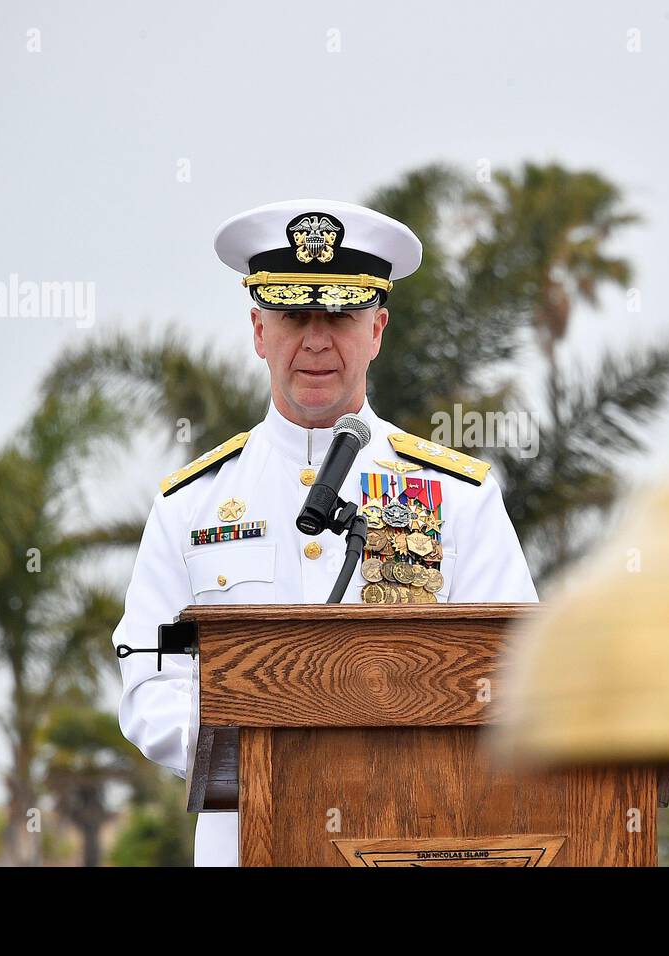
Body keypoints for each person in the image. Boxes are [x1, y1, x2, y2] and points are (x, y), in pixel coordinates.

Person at [111, 199, 538, 866]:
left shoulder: (460, 497)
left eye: (339, 313)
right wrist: (274, 748)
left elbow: (513, 673)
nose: (315, 339)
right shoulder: (190, 504)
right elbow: (150, 682)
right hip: (245, 844)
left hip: (409, 842)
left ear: (377, 329)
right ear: (258, 329)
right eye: (292, 315)